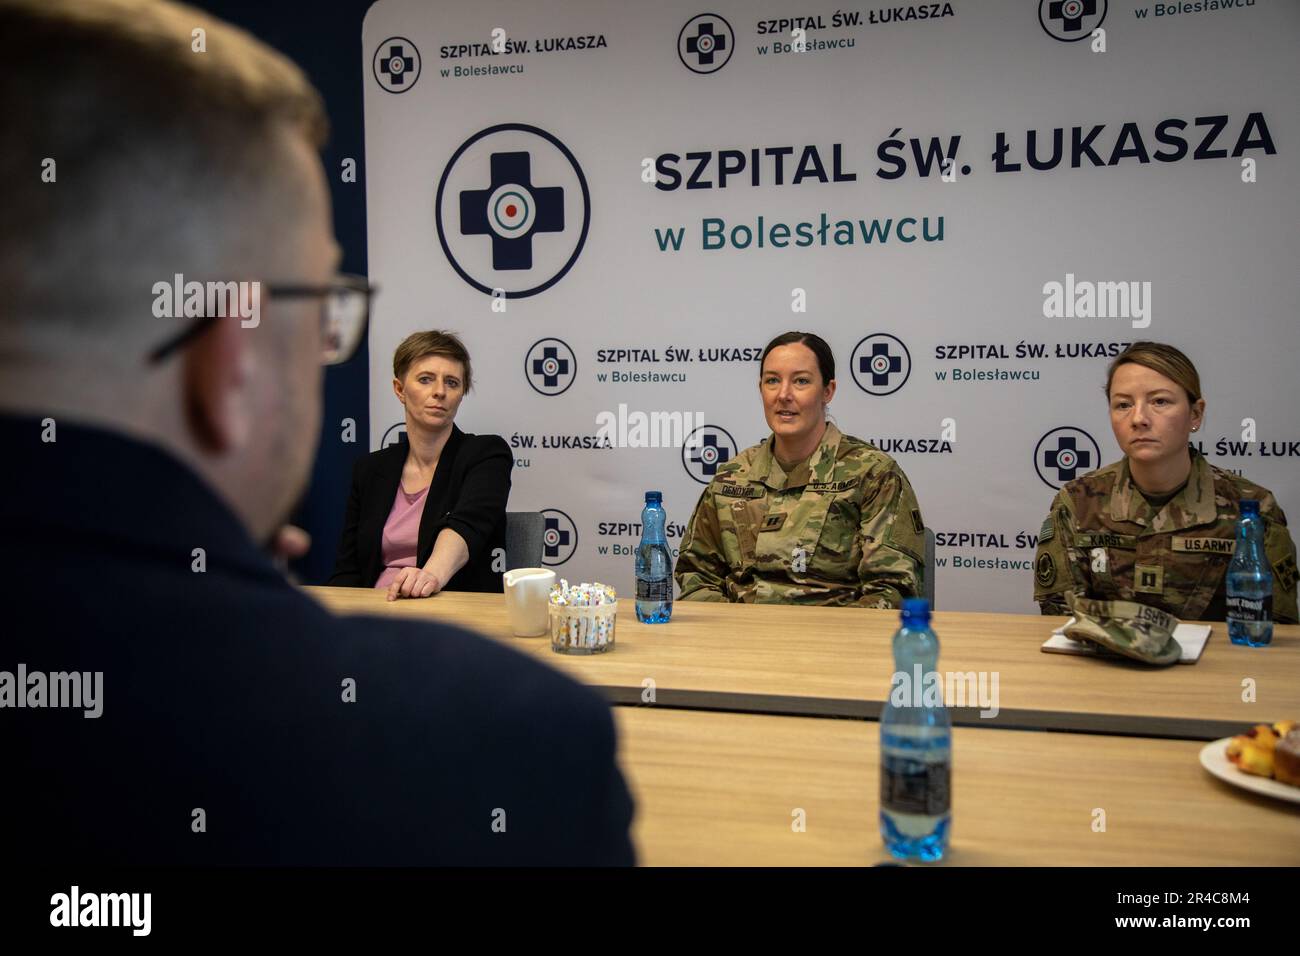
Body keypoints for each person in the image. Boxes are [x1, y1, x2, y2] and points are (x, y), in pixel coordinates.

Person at [0, 0, 633, 865]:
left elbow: (466, 532)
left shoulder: (480, 458)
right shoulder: (509, 748)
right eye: (319, 308)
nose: (440, 394)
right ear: (231, 362)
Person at [1033, 341, 1298, 623]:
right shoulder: (1078, 501)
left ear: (1195, 414)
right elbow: (1059, 621)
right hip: (1104, 663)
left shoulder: (1252, 508)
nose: (1139, 419)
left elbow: (1273, 629)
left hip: (1216, 665)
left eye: (1160, 401)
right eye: (1123, 404)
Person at [675, 331, 926, 606]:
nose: (784, 395)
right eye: (772, 381)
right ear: (760, 389)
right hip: (740, 640)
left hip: (834, 642)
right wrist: (731, 634)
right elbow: (697, 576)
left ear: (827, 391)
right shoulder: (731, 477)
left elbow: (891, 591)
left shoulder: (873, 474)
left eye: (801, 381)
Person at [329, 331, 510, 599]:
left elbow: (466, 526)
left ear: (461, 394)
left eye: (452, 383)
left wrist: (430, 576)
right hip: (376, 611)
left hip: (453, 612)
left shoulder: (486, 454)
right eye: (426, 380)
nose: (439, 392)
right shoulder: (370, 469)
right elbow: (349, 570)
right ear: (400, 389)